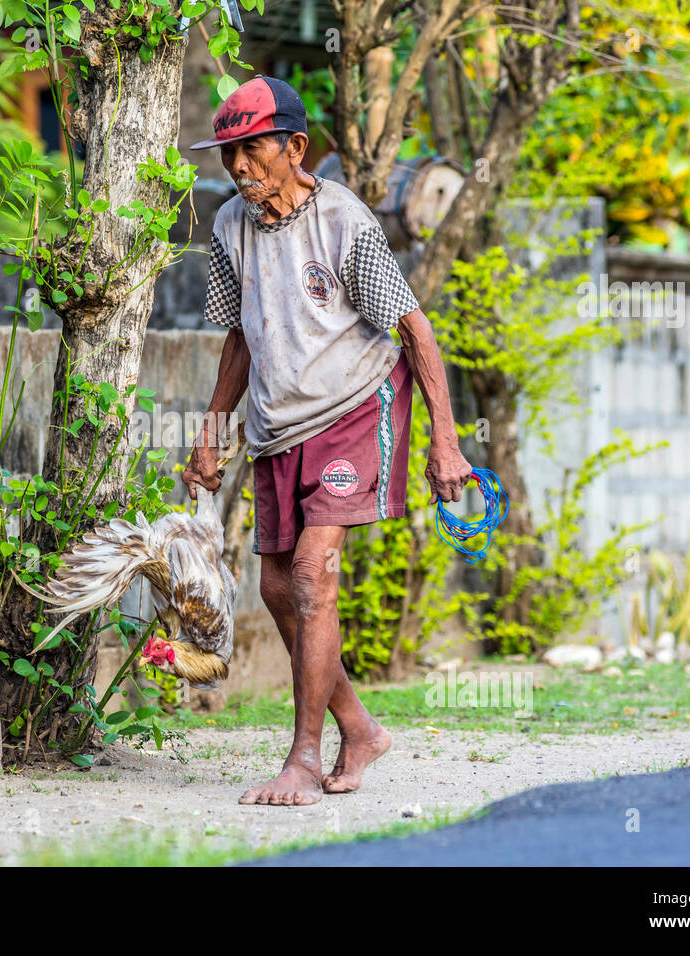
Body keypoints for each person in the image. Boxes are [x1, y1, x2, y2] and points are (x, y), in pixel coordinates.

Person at [181, 75, 473, 806]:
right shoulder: (228, 226)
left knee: (312, 575)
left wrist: (446, 441)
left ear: (295, 147)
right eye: (229, 155)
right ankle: (360, 728)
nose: (240, 167)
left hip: (355, 403)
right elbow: (239, 339)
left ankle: (304, 759)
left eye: (252, 150)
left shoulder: (342, 220)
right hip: (281, 421)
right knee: (279, 587)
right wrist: (211, 437)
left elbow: (414, 327)